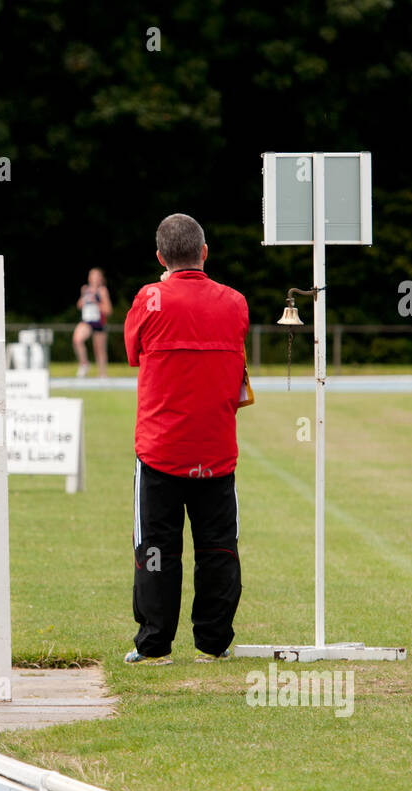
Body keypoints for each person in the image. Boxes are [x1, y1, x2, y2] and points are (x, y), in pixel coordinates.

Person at [122, 213, 248, 665]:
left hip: (160, 447)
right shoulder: (235, 301)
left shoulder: (149, 298)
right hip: (216, 448)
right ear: (205, 253)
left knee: (156, 549)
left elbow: (132, 352)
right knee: (217, 547)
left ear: (160, 257)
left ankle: (155, 645)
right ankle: (213, 644)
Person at [73, 267, 112, 378]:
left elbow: (108, 310)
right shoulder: (85, 289)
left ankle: (102, 375)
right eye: (92, 276)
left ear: (100, 278)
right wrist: (84, 300)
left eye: (96, 276)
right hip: (86, 321)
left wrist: (97, 303)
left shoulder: (102, 291)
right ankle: (84, 363)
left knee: (99, 350)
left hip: (99, 322)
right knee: (77, 339)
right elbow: (79, 305)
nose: (94, 278)